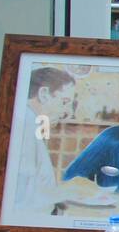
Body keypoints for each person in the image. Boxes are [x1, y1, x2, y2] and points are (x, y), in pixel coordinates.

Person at [14, 66, 76, 208]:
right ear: (43, 94)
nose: (66, 113)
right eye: (64, 102)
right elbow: (21, 200)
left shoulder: (30, 122)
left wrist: (64, 194)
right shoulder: (25, 126)